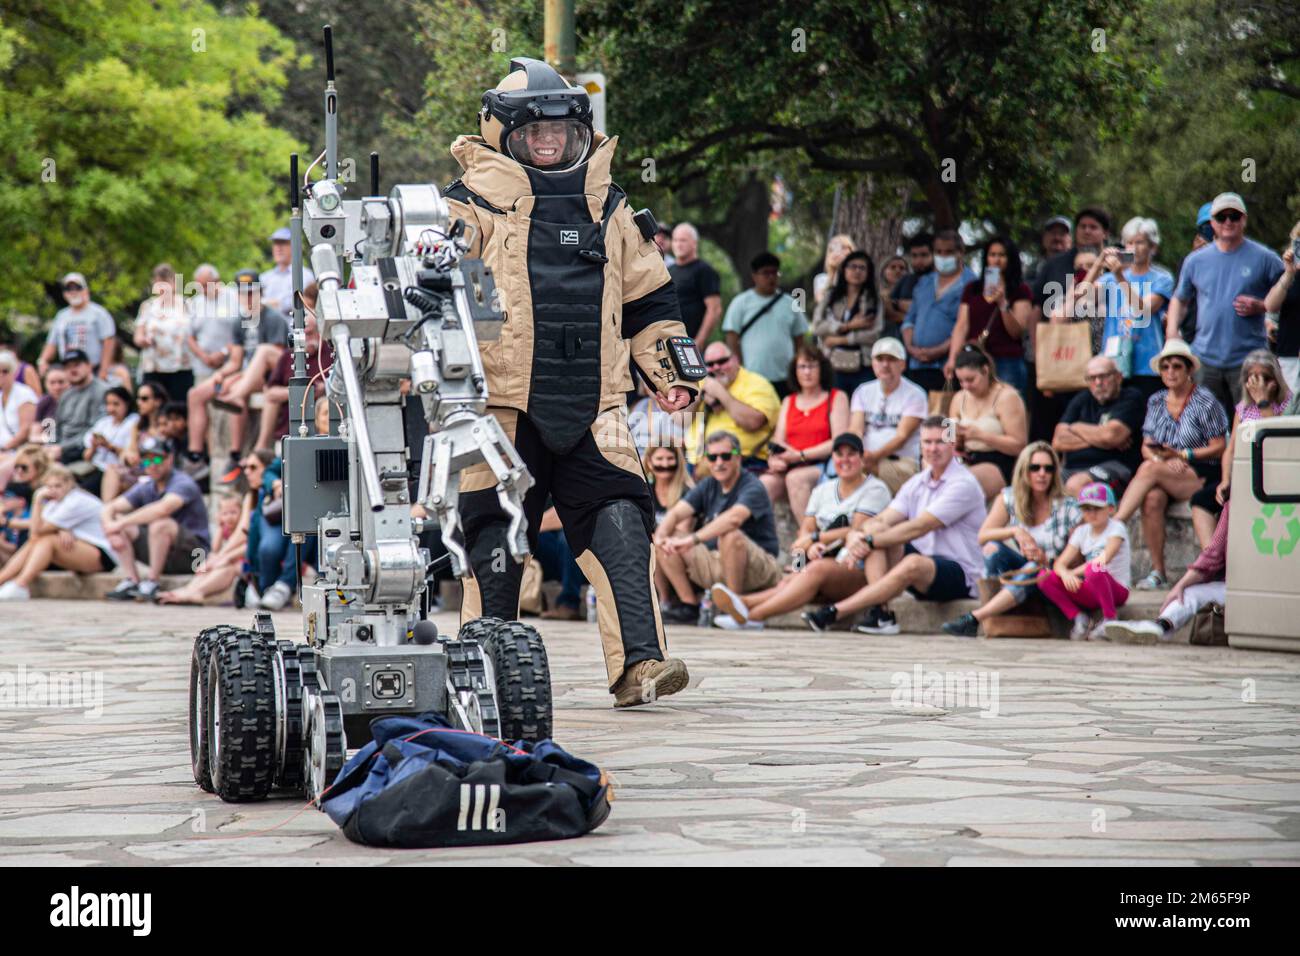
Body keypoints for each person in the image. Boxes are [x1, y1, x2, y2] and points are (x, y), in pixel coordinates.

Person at [445, 58, 694, 707]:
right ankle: (487, 670)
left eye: (561, 128)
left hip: (596, 402)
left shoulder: (609, 206)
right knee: (493, 529)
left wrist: (671, 375)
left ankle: (642, 665)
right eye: (537, 130)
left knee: (621, 518)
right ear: (505, 132)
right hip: (497, 407)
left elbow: (651, 301)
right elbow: (428, 297)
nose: (550, 140)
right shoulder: (463, 206)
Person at [802, 416, 985, 634]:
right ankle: (881, 614)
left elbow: (919, 527)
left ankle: (832, 611)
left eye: (940, 442)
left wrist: (861, 539)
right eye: (927, 442)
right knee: (809, 569)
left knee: (907, 560)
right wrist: (853, 537)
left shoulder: (961, 484)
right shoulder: (822, 491)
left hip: (959, 573)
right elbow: (878, 521)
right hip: (820, 556)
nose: (933, 448)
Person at [708, 433, 891, 629]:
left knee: (814, 569)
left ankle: (752, 616)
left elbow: (856, 530)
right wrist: (798, 564)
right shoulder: (823, 490)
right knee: (792, 579)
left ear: (862, 459)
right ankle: (743, 604)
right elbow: (803, 534)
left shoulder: (875, 489)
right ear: (832, 459)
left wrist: (815, 539)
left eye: (851, 454)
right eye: (839, 454)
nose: (845, 460)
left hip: (859, 566)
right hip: (825, 563)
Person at [1114, 339, 1228, 591]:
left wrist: (1182, 455)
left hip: (1202, 470)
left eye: (1176, 366)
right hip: (1164, 468)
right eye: (1165, 367)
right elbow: (1146, 445)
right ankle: (1158, 572)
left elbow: (1219, 445)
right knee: (1152, 498)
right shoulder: (1156, 400)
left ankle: (1115, 524)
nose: (1170, 372)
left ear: (1189, 370)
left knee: (1148, 470)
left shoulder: (1204, 400)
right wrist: (1160, 459)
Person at [943, 443, 1082, 637]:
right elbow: (983, 536)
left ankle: (977, 617)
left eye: (1048, 469)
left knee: (1034, 569)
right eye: (1035, 468)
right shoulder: (1010, 498)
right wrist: (1015, 531)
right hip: (1028, 570)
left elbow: (1077, 559)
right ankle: (996, 613)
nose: (1042, 474)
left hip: (1055, 576)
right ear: (1024, 470)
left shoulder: (1069, 507)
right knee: (992, 548)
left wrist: (1045, 559)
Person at [1165, 192, 1285, 417]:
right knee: (1207, 425)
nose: (1228, 222)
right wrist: (1172, 332)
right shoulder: (1195, 260)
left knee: (1252, 423)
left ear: (1244, 219)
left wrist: (1262, 305)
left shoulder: (1265, 257)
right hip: (1205, 357)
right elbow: (1180, 299)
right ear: (1212, 223)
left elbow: (1288, 291)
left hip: (1249, 358)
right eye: (1222, 217)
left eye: (1234, 216)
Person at [654, 430, 783, 624]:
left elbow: (733, 519)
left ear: (738, 457)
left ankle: (735, 610)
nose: (719, 462)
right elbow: (676, 514)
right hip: (717, 561)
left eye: (725, 456)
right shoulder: (708, 485)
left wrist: (692, 539)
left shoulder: (752, 485)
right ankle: (688, 606)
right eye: (712, 457)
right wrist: (661, 536)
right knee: (666, 538)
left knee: (730, 535)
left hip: (759, 568)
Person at [1029, 207, 1111, 441]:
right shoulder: (1055, 266)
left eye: (1093, 227)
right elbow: (1052, 317)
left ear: (1105, 232)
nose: (1086, 231)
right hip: (1068, 365)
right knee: (1058, 425)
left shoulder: (1113, 286)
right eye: (1082, 226)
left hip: (1104, 368)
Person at [1192, 350, 1291, 543]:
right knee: (1202, 500)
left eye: (1265, 378)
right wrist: (1225, 479)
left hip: (1272, 478)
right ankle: (1211, 560)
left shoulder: (1287, 403)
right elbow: (1230, 449)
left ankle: (1211, 563)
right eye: (1254, 379)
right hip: (1243, 475)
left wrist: (1263, 402)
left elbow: (1278, 441)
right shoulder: (1243, 407)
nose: (1259, 385)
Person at [1104, 500, 1231, 644]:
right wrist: (1180, 586)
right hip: (1232, 589)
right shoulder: (1232, 505)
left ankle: (1156, 628)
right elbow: (1213, 555)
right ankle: (1158, 627)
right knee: (1188, 594)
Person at [101, 437, 211, 602]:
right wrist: (111, 526)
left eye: (158, 459)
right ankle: (133, 581)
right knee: (120, 526)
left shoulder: (183, 483)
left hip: (196, 557)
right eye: (146, 461)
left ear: (170, 459)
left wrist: (120, 523)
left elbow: (162, 509)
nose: (152, 465)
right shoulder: (146, 485)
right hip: (166, 555)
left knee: (160, 524)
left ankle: (152, 582)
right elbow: (110, 507)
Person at [0, 464, 117, 601]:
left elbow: (36, 530)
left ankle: (21, 584)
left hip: (105, 554)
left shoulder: (75, 500)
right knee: (39, 540)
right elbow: (35, 532)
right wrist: (61, 529)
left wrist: (37, 500)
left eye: (58, 486)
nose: (53, 491)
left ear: (69, 484)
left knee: (47, 540)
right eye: (50, 487)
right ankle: (3, 580)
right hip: (83, 548)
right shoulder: (56, 503)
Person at [760, 345, 849, 519]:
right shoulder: (789, 400)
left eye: (812, 366)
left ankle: (809, 538)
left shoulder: (836, 397)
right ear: (795, 371)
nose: (807, 372)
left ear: (822, 369)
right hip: (791, 463)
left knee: (796, 479)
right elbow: (778, 441)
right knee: (764, 483)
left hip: (822, 464)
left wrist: (801, 455)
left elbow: (839, 441)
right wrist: (775, 459)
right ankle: (764, 539)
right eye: (802, 367)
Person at [1037, 481, 1132, 640]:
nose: (1092, 513)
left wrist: (1072, 572)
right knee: (1044, 576)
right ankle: (1078, 618)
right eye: (1087, 509)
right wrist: (1065, 574)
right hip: (1092, 587)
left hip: (1116, 589)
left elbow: (1104, 558)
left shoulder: (1117, 528)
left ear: (1111, 508)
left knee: (1094, 569)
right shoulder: (1081, 531)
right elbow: (1060, 563)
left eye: (1097, 508)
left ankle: (1109, 619)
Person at [1096, 218, 1174, 401]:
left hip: (1147, 364)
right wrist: (1099, 262)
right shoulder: (1109, 279)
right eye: (1129, 243)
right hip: (1114, 364)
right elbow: (1081, 297)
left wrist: (1119, 277)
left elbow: (1143, 310)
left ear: (1152, 247)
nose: (1134, 247)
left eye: (1139, 242)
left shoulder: (1162, 278)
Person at [945, 236, 1031, 394]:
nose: (997, 260)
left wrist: (1003, 303)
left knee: (1007, 404)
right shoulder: (973, 288)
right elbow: (962, 325)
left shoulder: (1020, 290)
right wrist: (952, 358)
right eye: (992, 255)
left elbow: (1017, 331)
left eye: (1002, 255)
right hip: (975, 358)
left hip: (1006, 360)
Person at [1052, 355, 1146, 497]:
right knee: (1037, 481)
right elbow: (1058, 441)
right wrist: (1102, 439)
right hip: (1072, 468)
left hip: (1115, 467)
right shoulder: (1082, 398)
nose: (1098, 383)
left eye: (1103, 376)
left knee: (1075, 485)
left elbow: (1111, 436)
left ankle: (1098, 520)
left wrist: (1075, 427)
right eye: (1092, 378)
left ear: (1118, 377)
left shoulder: (1131, 397)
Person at [723, 252, 809, 397]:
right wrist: (739, 366)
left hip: (786, 377)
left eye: (775, 273)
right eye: (765, 273)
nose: (771, 277)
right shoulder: (741, 302)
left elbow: (799, 338)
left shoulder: (791, 303)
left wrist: (797, 367)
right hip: (753, 377)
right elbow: (731, 336)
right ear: (754, 276)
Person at [901, 230, 977, 393]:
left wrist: (939, 350)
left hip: (947, 366)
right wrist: (909, 346)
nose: (943, 257)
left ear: (961, 252)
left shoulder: (972, 284)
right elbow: (909, 319)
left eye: (949, 252)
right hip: (915, 365)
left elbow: (966, 325)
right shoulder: (924, 282)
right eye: (939, 252)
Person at [949, 345, 1028, 501]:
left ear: (985, 371)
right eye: (961, 381)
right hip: (964, 459)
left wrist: (981, 436)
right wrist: (956, 439)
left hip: (999, 462)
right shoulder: (958, 397)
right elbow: (948, 439)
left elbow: (1019, 445)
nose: (966, 386)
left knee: (959, 483)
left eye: (971, 380)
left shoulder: (1007, 397)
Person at [847, 337, 926, 493]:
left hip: (902, 463)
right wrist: (856, 453)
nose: (885, 364)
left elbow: (901, 437)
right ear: (873, 363)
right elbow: (855, 430)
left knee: (860, 479)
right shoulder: (862, 391)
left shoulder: (915, 394)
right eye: (880, 359)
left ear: (902, 364)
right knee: (847, 470)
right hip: (866, 460)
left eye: (891, 359)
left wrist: (873, 457)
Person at [688, 341, 780, 471]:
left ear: (735, 359)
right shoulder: (705, 383)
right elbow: (680, 420)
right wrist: (698, 396)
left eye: (722, 361)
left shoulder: (757, 383)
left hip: (745, 461)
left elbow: (753, 422)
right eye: (710, 364)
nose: (716, 367)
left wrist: (720, 393)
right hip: (699, 461)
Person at [812, 250, 882, 394]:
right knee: (836, 408)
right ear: (844, 270)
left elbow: (874, 335)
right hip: (833, 363)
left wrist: (839, 340)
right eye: (852, 266)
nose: (857, 271)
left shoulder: (874, 299)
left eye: (862, 268)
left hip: (864, 364)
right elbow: (817, 326)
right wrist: (848, 326)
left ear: (868, 272)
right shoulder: (831, 295)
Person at [157, 494, 247, 606]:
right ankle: (188, 590)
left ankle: (197, 593)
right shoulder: (225, 529)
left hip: (244, 563)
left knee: (220, 564)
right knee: (208, 563)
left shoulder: (243, 528)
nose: (229, 517)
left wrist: (221, 559)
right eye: (225, 513)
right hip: (230, 559)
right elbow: (215, 548)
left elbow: (245, 547)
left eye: (233, 513)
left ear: (242, 513)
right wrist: (220, 527)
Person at [38, 272, 117, 381]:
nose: (73, 292)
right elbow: (52, 343)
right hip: (68, 371)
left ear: (86, 290)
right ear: (64, 294)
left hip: (93, 370)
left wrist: (104, 370)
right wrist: (43, 360)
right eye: (69, 289)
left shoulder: (98, 313)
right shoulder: (61, 316)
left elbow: (108, 342)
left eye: (77, 288)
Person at [133, 263, 194, 398]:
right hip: (154, 366)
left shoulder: (187, 304)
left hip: (181, 367)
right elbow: (138, 336)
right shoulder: (148, 306)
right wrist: (143, 340)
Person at [51, 351, 109, 468]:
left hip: (82, 448)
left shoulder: (102, 392)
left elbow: (94, 430)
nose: (72, 370)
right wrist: (48, 443)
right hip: (59, 447)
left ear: (89, 366)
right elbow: (54, 424)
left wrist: (62, 448)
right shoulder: (66, 395)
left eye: (77, 365)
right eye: (68, 367)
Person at [667, 223, 722, 343]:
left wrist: (699, 341)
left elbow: (714, 309)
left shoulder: (704, 270)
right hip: (670, 342)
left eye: (683, 240)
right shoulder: (668, 270)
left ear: (694, 243)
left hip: (692, 344)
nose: (678, 244)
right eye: (675, 240)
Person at [82, 386, 138, 501]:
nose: (111, 409)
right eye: (108, 404)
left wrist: (109, 446)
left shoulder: (134, 422)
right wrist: (94, 446)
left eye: (116, 404)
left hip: (116, 470)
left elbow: (132, 458)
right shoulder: (103, 423)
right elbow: (86, 457)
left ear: (127, 403)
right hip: (94, 467)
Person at [1264, 222, 1300, 395]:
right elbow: (1270, 305)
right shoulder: (1287, 275)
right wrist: (1288, 273)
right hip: (1290, 356)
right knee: (1290, 412)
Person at [0, 351, 39, 487]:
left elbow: (25, 431)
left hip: (17, 450)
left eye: (5, 371)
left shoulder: (24, 394)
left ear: (14, 372)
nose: (1, 375)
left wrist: (4, 448)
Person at [260, 227, 314, 320]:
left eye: (283, 243)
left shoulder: (305, 275)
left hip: (295, 331)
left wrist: (267, 304)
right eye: (276, 243)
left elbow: (303, 302)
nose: (278, 248)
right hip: (268, 331)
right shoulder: (265, 277)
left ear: (295, 246)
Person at [886, 234, 933, 329]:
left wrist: (908, 307)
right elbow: (889, 311)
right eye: (914, 256)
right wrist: (898, 304)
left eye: (924, 255)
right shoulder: (906, 279)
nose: (918, 261)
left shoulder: (943, 282)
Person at [813, 233, 856, 307]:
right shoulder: (821, 279)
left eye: (842, 248)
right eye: (832, 249)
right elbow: (823, 303)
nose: (837, 252)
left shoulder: (857, 277)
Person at [33, 364, 68, 434]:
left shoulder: (77, 402)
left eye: (61, 382)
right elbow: (34, 432)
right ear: (46, 385)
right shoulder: (44, 402)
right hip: (47, 441)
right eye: (52, 383)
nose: (57, 387)